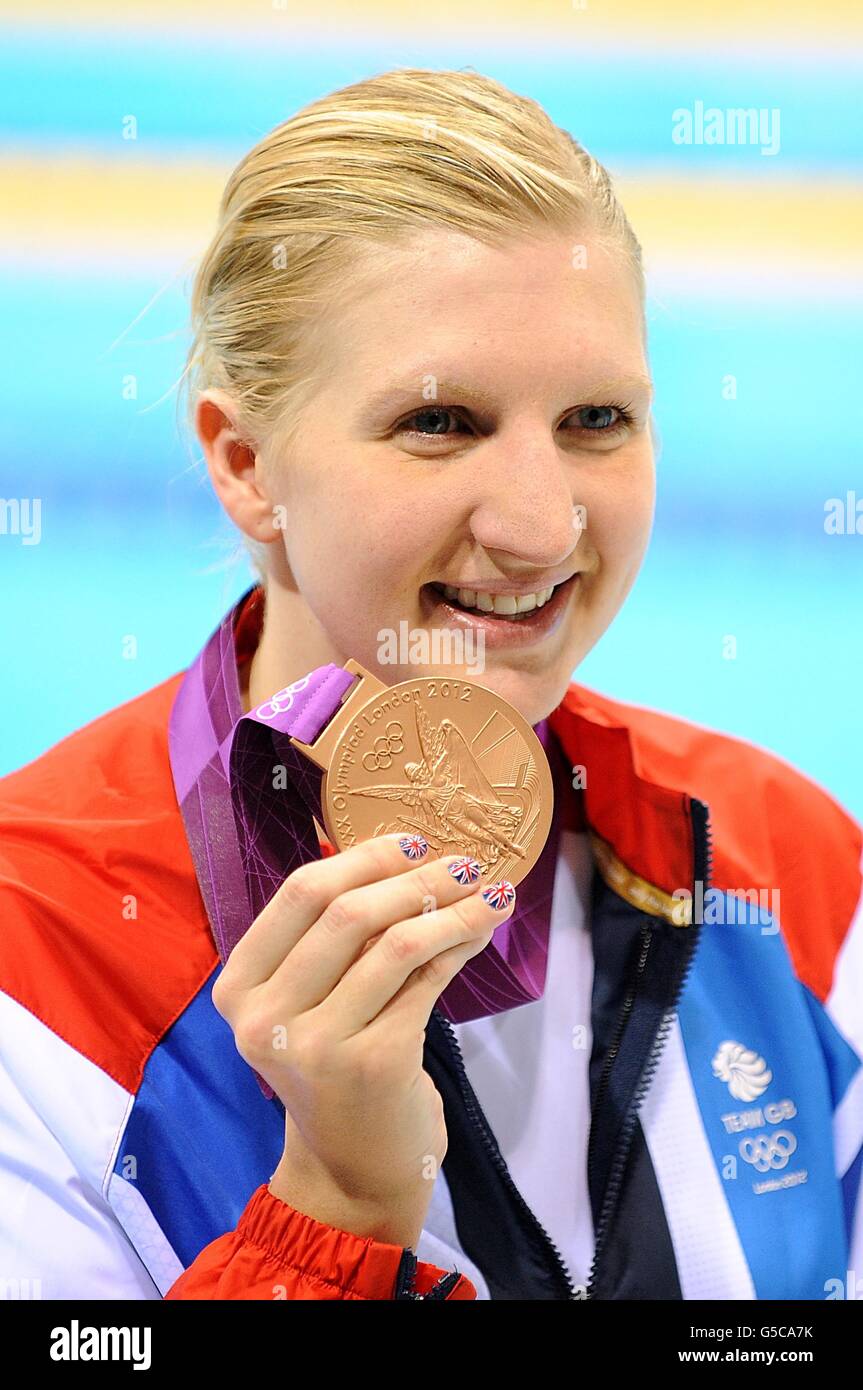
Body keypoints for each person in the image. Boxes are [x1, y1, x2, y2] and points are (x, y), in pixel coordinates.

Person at [1, 67, 861, 1302]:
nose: (538, 523)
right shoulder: (33, 956)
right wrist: (336, 1211)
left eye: (596, 418)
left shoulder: (783, 867)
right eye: (441, 422)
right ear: (245, 465)